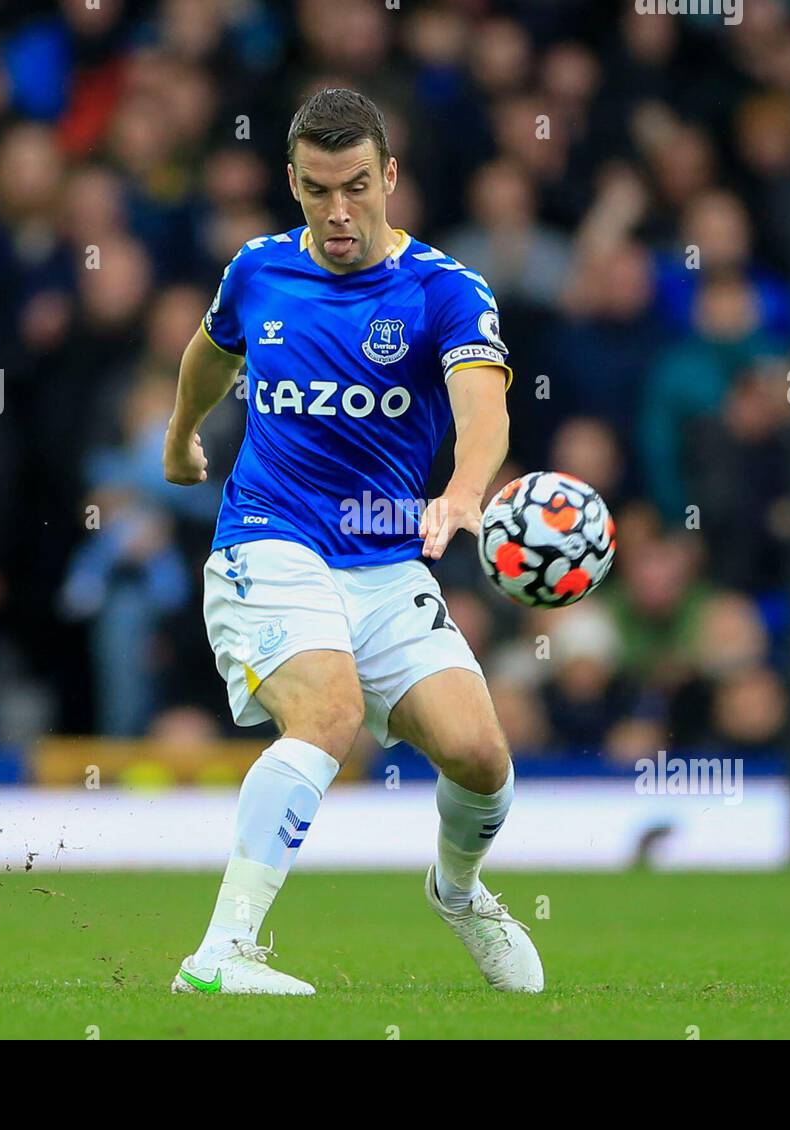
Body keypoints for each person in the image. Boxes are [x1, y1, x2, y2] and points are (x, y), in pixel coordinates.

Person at [162, 88, 541, 995]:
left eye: (357, 186)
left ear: (390, 178)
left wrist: (462, 492)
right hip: (269, 539)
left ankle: (458, 891)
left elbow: (483, 409)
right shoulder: (257, 270)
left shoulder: (445, 290)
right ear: (293, 183)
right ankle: (221, 954)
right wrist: (180, 437)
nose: (339, 211)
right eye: (319, 189)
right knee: (327, 715)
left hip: (384, 560)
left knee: (481, 757)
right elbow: (210, 352)